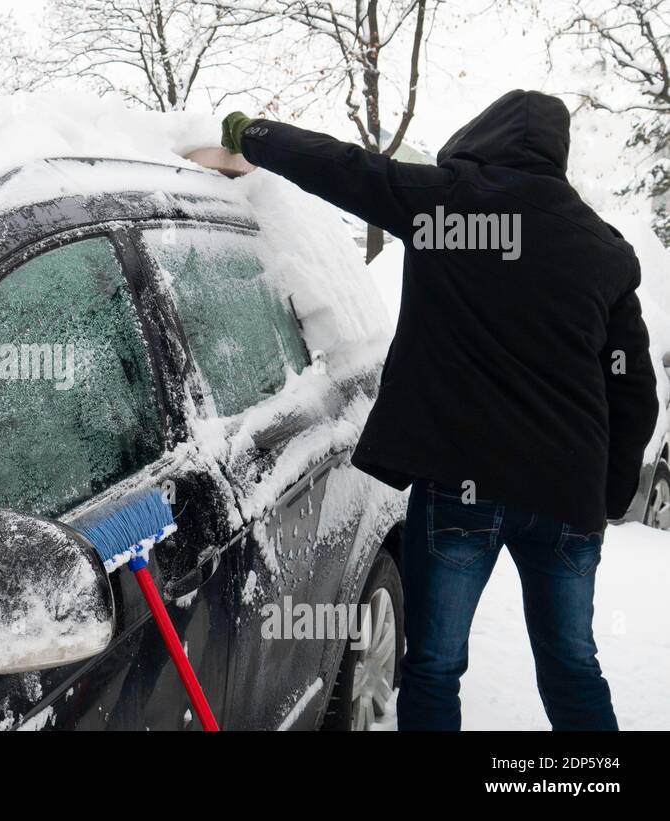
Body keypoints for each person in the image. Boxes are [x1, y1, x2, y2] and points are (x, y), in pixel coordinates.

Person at [220, 90, 659, 730]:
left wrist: (252, 134)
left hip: (463, 486)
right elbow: (632, 387)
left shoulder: (444, 202)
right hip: (566, 495)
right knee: (572, 666)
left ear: (484, 134)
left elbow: (339, 166)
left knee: (433, 664)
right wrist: (609, 493)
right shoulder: (605, 250)